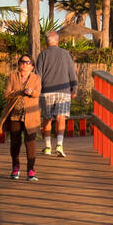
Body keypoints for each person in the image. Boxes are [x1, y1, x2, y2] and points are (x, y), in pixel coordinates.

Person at [35, 30, 78, 158]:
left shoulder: (42, 55)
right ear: (58, 41)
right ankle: (59, 145)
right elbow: (72, 73)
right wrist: (74, 89)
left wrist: (37, 91)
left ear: (46, 42)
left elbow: (38, 75)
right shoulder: (65, 54)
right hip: (63, 91)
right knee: (61, 118)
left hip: (46, 91)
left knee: (47, 118)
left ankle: (48, 147)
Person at [3, 53, 42, 181]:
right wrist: (20, 92)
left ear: (32, 66)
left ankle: (31, 169)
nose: (24, 64)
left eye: (27, 62)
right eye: (22, 62)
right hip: (15, 114)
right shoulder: (12, 77)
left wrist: (31, 93)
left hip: (31, 115)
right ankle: (15, 167)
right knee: (15, 142)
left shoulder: (36, 78)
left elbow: (37, 93)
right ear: (19, 64)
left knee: (30, 142)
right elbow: (7, 94)